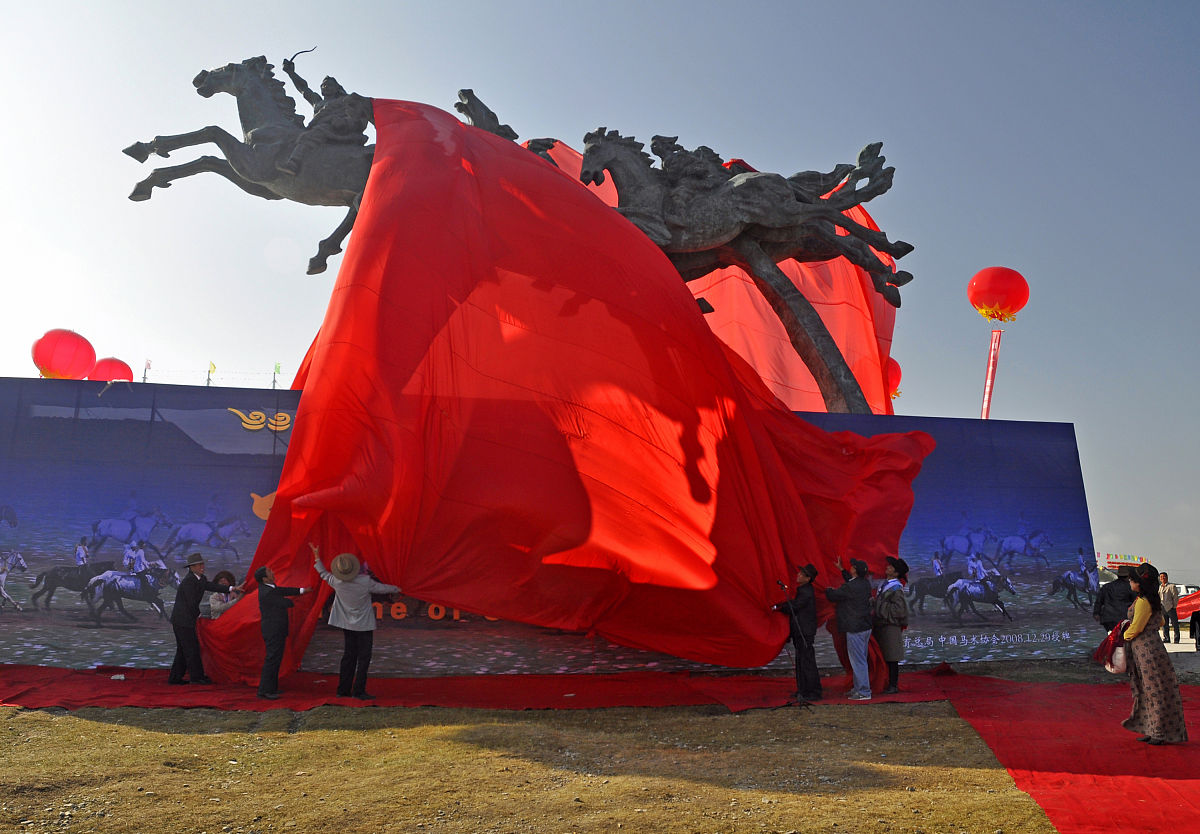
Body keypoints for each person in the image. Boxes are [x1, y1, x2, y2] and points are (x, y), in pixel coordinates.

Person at [311, 544, 400, 700]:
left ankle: (343, 690)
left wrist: (316, 556)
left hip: (346, 624)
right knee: (364, 658)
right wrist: (399, 588)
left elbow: (323, 573)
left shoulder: (337, 581)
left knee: (348, 656)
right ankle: (358, 691)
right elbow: (384, 588)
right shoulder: (365, 581)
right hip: (364, 625)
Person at [1121, 562, 1187, 745]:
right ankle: (1153, 729)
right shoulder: (1151, 600)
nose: (1129, 583)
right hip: (1153, 647)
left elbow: (1136, 628)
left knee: (1153, 690)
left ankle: (1158, 732)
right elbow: (1160, 623)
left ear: (1139, 583)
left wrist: (1121, 635)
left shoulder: (1143, 602)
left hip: (1145, 650)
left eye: (1132, 580)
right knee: (1154, 689)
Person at [277, 58, 371, 176]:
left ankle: (293, 163)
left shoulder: (344, 101)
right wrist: (291, 72)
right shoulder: (318, 102)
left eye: (330, 85)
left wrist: (344, 122)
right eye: (324, 85)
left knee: (313, 134)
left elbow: (359, 117)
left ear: (337, 88)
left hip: (336, 130)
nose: (326, 87)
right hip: (320, 129)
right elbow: (304, 89)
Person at [168, 553, 236, 685]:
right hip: (182, 620)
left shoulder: (200, 579)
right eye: (199, 565)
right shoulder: (189, 581)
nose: (202, 567)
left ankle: (175, 678)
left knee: (183, 649)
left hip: (185, 619)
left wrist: (231, 588)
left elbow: (212, 586)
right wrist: (198, 614)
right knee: (191, 649)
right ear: (191, 567)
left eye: (202, 564)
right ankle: (196, 677)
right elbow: (190, 602)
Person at [255, 564, 310, 700]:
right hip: (273, 630)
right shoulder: (266, 592)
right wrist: (295, 601)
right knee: (272, 660)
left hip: (277, 629)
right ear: (264, 579)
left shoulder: (270, 588)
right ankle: (264, 690)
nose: (273, 573)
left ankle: (271, 688)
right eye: (269, 572)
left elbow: (284, 590)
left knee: (276, 659)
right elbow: (285, 603)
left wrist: (302, 591)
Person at [772, 563, 821, 703]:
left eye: (801, 574)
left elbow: (796, 605)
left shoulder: (806, 591)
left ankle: (813, 691)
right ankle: (804, 690)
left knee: (807, 661)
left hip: (804, 631)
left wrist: (779, 607)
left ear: (808, 578)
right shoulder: (804, 590)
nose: (798, 575)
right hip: (801, 631)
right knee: (802, 661)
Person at [825, 557, 873, 701]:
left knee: (858, 661)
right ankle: (859, 688)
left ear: (855, 570)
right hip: (865, 626)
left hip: (855, 627)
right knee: (860, 659)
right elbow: (851, 583)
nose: (850, 567)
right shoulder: (865, 584)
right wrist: (842, 570)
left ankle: (864, 691)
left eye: (852, 566)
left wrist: (826, 588)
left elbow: (833, 595)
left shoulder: (851, 587)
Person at [873, 556, 909, 695]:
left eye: (891, 567)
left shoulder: (896, 589)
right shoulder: (886, 585)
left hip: (890, 626)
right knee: (886, 656)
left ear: (896, 573)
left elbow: (898, 610)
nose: (887, 567)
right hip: (883, 625)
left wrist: (879, 605)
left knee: (892, 657)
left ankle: (893, 685)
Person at [1093, 566, 1135, 632]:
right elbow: (1135, 602)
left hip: (1107, 619)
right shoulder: (1130, 587)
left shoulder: (1106, 586)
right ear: (1128, 576)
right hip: (1123, 619)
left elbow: (1099, 601)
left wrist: (1096, 613)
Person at [1159, 572, 1180, 643]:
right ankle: (1166, 638)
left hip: (1170, 607)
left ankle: (1176, 638)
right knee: (1165, 624)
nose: (1162, 578)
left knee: (1175, 624)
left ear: (1167, 577)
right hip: (1162, 607)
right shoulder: (1160, 587)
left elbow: (1175, 597)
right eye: (1161, 577)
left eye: (1164, 577)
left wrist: (1174, 606)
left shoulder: (1171, 586)